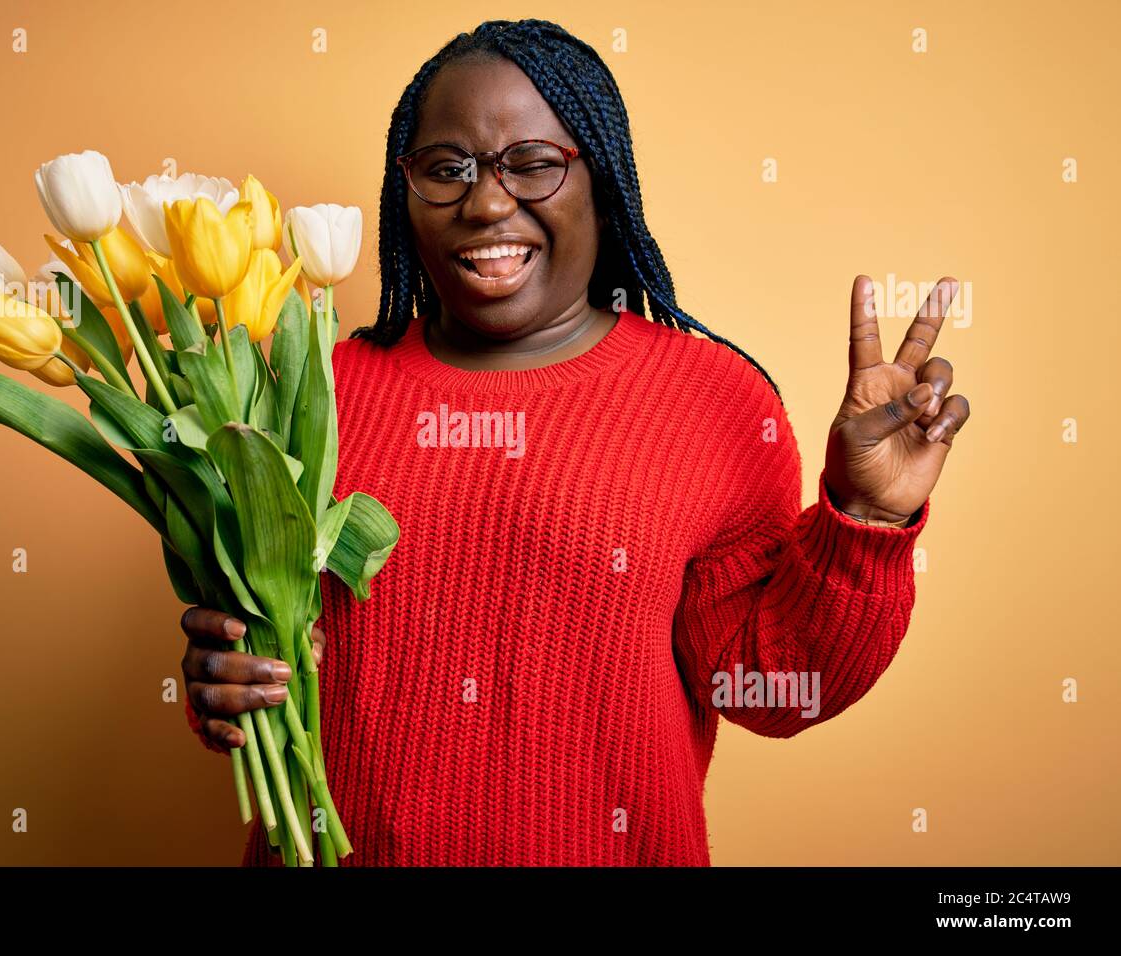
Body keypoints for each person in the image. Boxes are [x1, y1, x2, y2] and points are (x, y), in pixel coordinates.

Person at [179, 18, 971, 866]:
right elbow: (266, 646)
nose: (486, 202)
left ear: (605, 183)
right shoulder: (310, 391)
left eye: (534, 162)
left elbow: (774, 687)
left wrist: (866, 518)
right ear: (402, 190)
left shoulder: (714, 401)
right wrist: (223, 677)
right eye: (446, 169)